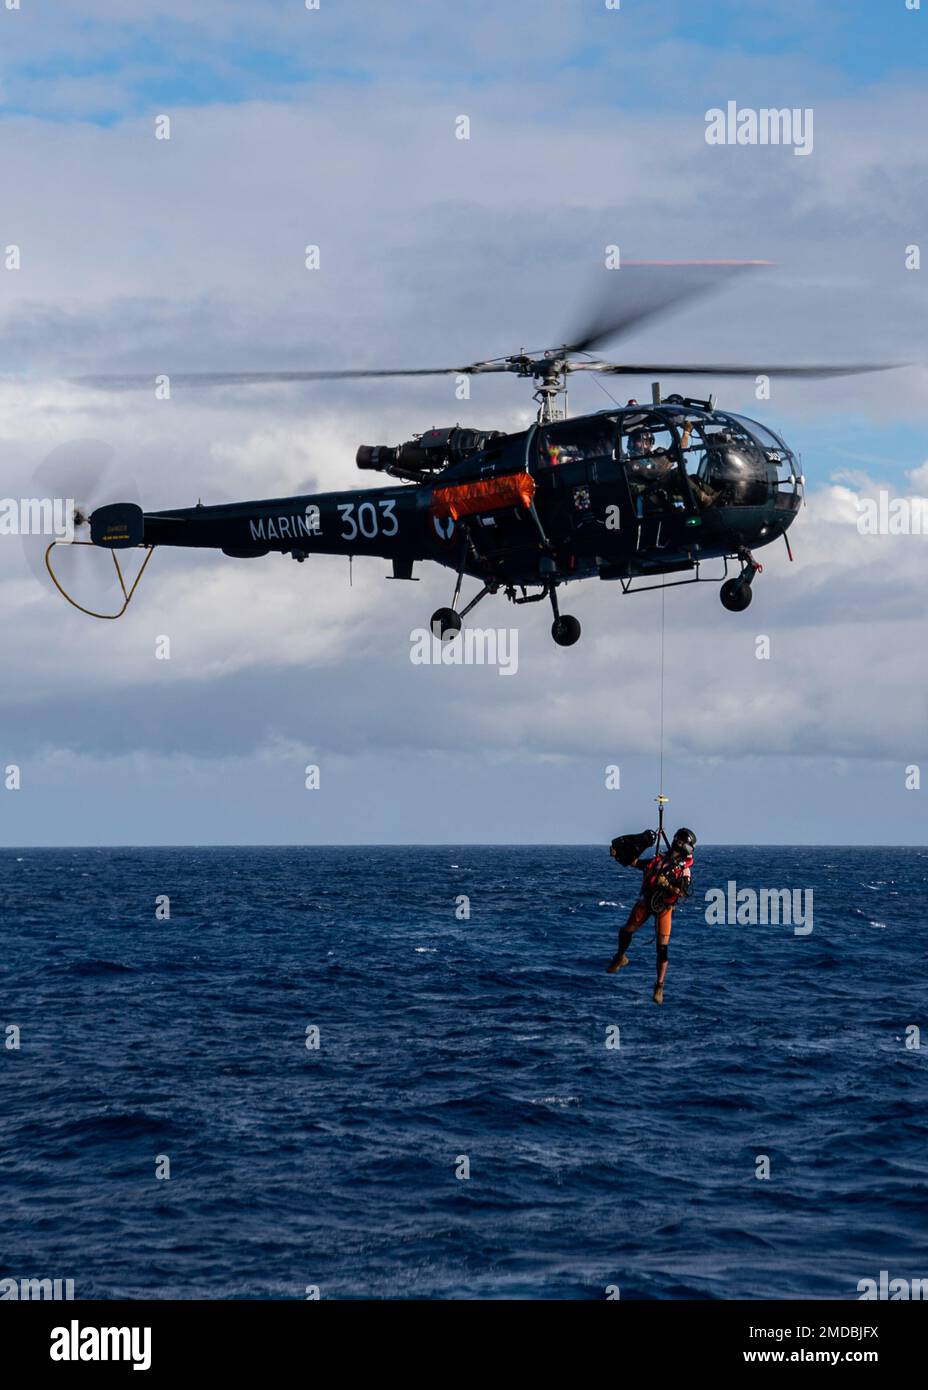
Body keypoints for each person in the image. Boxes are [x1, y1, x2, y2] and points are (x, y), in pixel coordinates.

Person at [606, 827, 697, 1003]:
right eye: (677, 840)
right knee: (626, 931)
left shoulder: (684, 870)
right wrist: (619, 855)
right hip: (646, 902)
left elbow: (683, 892)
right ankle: (620, 957)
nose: (677, 844)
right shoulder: (659, 859)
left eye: (680, 842)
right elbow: (636, 863)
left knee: (662, 949)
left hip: (664, 907)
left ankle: (659, 986)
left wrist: (667, 886)